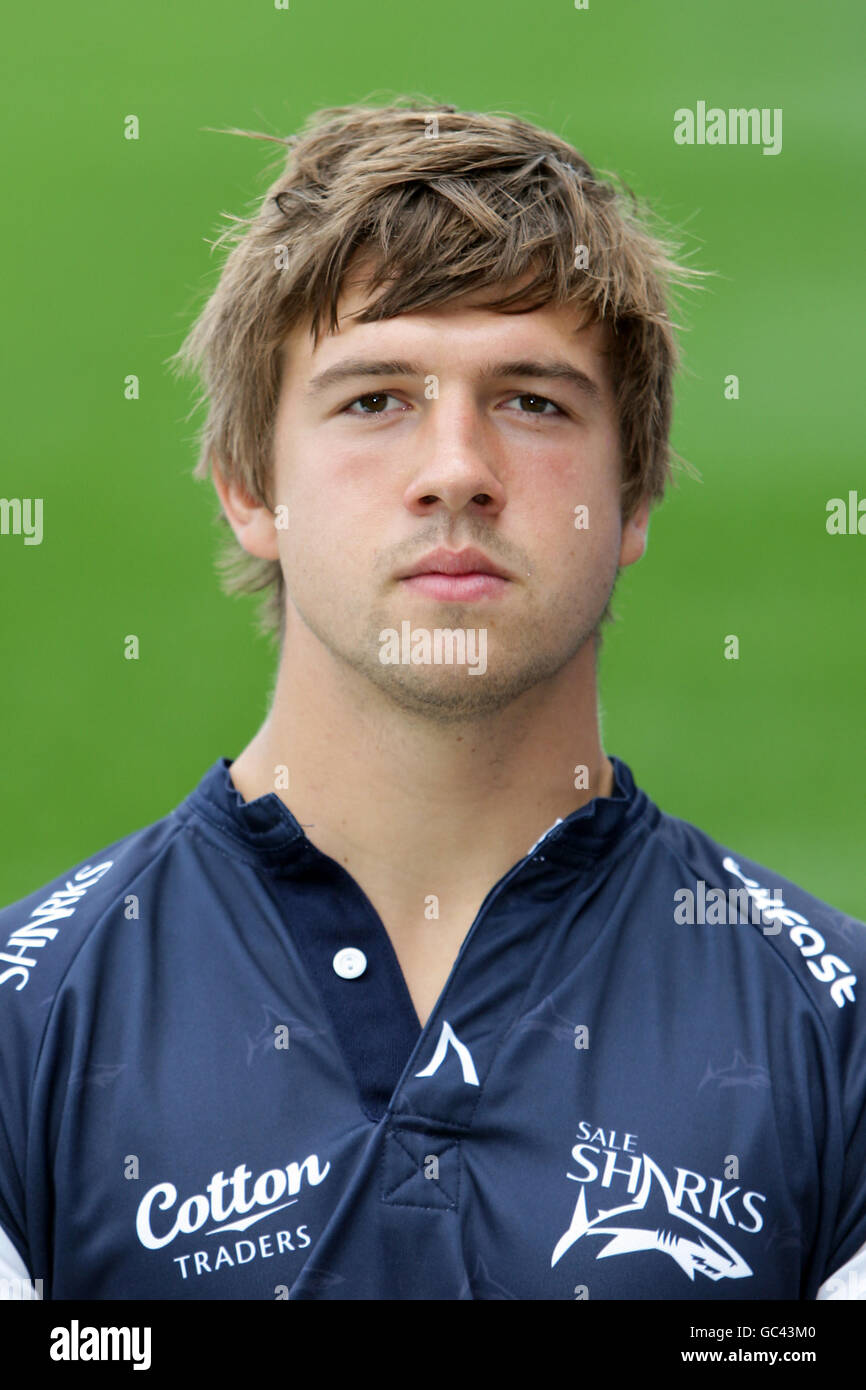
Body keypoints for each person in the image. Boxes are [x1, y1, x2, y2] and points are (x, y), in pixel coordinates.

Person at [1, 100, 863, 1301]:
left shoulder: (834, 1037)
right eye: (374, 400)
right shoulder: (29, 1025)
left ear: (633, 495)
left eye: (531, 401)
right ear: (250, 487)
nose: (455, 467)